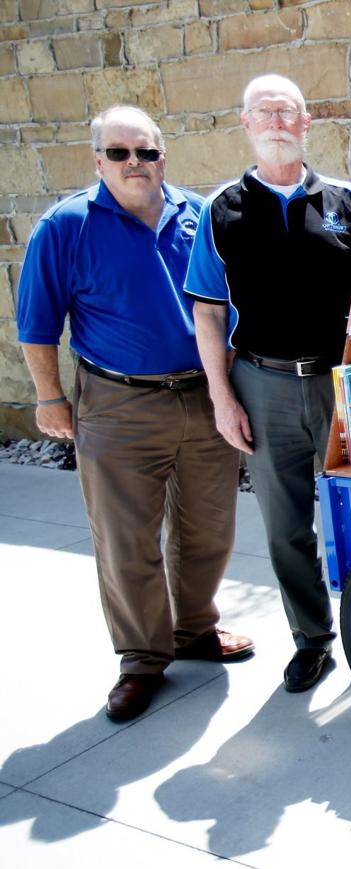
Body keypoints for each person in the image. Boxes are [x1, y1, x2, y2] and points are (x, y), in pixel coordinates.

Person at [16, 105, 252, 722]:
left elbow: (230, 305)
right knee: (126, 539)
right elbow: (38, 326)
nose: (134, 164)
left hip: (205, 395)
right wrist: (49, 398)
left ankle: (194, 628)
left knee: (209, 527)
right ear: (98, 160)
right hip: (117, 402)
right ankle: (142, 659)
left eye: (146, 152)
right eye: (119, 153)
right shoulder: (65, 226)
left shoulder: (199, 216)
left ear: (162, 156)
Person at [187, 75, 351, 693]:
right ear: (245, 123)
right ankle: (312, 640)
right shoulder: (222, 211)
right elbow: (208, 312)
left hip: (343, 385)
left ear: (306, 122)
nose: (276, 120)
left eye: (287, 111)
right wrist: (221, 396)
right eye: (263, 111)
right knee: (286, 527)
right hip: (260, 384)